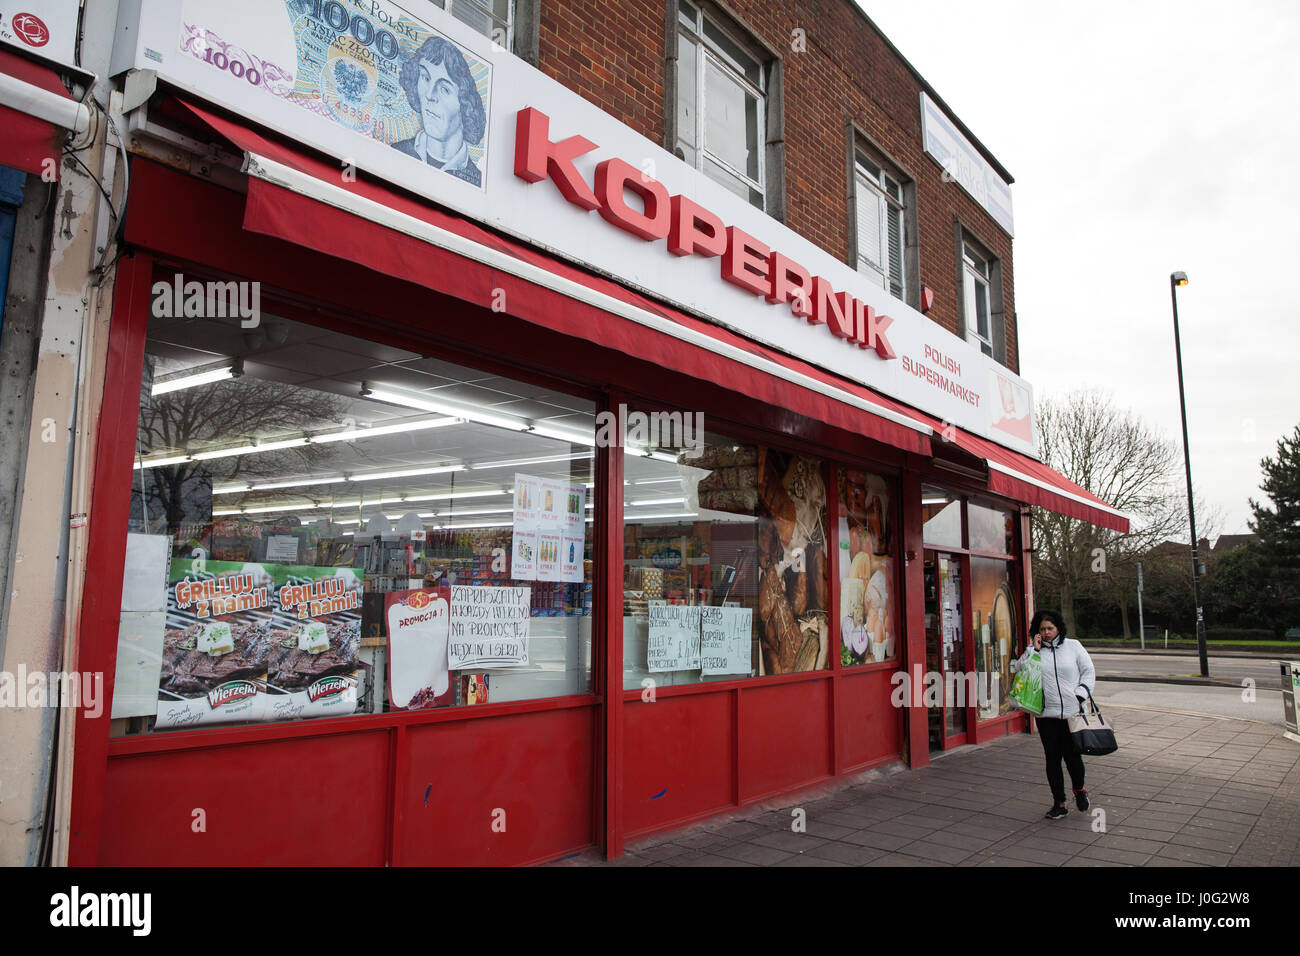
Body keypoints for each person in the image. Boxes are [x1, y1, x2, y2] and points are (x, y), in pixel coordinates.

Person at [1019, 609, 1096, 820]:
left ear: (1058, 628)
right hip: (1046, 715)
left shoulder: (1074, 647)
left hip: (1072, 713)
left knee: (1073, 757)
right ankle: (1059, 802)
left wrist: (1080, 695)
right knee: (1052, 759)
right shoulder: (1032, 651)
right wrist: (1033, 652)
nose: (1046, 632)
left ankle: (1079, 790)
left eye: (1050, 628)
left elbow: (1088, 671)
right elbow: (1020, 672)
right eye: (1042, 629)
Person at [391, 36, 486, 187]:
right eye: (425, 78)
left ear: (465, 105)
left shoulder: (477, 181)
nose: (429, 95)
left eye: (444, 89)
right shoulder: (394, 152)